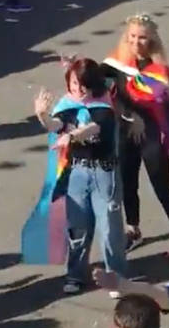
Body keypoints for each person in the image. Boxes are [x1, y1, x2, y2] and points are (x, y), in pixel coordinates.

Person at [103, 14, 169, 260]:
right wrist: (73, 67)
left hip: (152, 136)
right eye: (132, 36)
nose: (136, 42)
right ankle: (133, 229)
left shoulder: (159, 68)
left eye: (142, 37)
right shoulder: (116, 63)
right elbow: (93, 79)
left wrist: (139, 81)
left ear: (152, 39)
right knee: (127, 184)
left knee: (162, 187)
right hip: (124, 133)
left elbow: (155, 97)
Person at [32, 58, 126, 294]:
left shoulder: (103, 106)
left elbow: (94, 128)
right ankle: (75, 274)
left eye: (83, 84)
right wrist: (42, 116)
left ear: (94, 84)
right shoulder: (67, 104)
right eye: (74, 83)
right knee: (78, 228)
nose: (78, 89)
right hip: (77, 171)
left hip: (104, 174)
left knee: (109, 229)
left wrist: (72, 137)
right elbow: (56, 125)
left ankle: (116, 277)